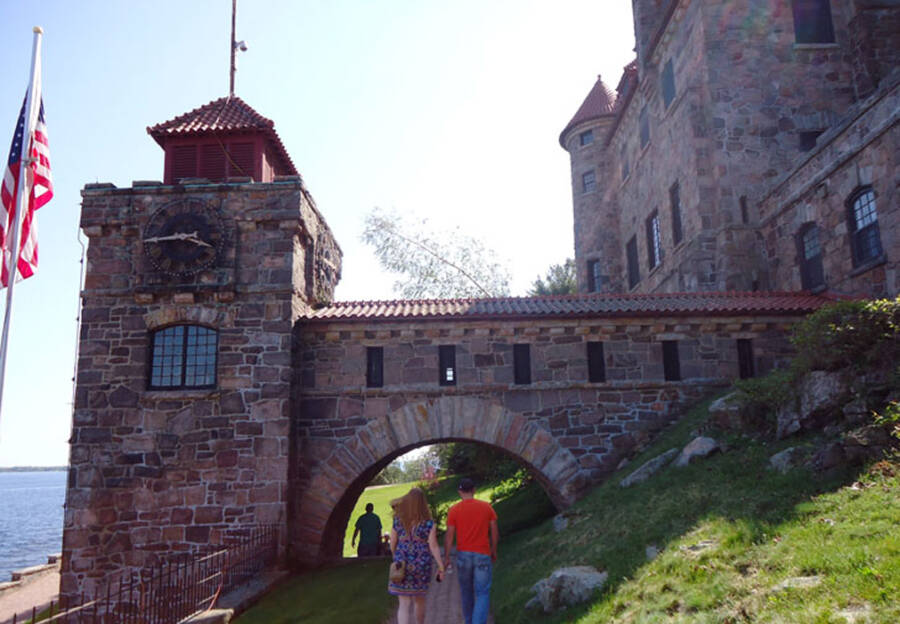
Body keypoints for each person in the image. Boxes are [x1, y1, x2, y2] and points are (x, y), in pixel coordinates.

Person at [443, 478, 498, 624]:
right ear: (474, 490)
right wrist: (493, 550)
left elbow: (449, 536)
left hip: (463, 556)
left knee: (466, 592)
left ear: (459, 492)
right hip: (482, 554)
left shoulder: (454, 510)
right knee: (482, 593)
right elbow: (494, 531)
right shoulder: (486, 507)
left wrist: (447, 557)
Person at [387, 488, 446, 624]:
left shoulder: (397, 521)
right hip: (422, 564)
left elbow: (392, 543)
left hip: (401, 564)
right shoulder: (429, 523)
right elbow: (434, 546)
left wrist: (396, 556)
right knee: (420, 601)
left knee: (403, 604)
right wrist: (441, 566)